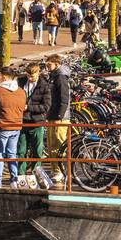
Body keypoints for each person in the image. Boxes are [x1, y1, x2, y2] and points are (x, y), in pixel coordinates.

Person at [0, 69, 26, 188]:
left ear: (5, 77)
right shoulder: (21, 91)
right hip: (16, 126)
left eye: (0, 76)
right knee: (12, 154)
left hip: (1, 126)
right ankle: (14, 180)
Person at [17, 62, 54, 189]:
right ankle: (20, 175)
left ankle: (34, 175)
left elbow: (46, 107)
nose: (30, 78)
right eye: (28, 75)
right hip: (22, 121)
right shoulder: (20, 81)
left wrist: (29, 107)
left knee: (37, 151)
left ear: (38, 73)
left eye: (32, 76)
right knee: (21, 150)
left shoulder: (45, 86)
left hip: (37, 122)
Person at [45, 54, 72, 186]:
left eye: (49, 64)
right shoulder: (54, 76)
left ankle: (61, 171)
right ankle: (55, 169)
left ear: (56, 64)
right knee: (51, 145)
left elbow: (64, 97)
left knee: (59, 144)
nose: (47, 67)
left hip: (59, 117)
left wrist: (60, 116)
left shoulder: (60, 77)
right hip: (52, 115)